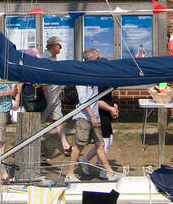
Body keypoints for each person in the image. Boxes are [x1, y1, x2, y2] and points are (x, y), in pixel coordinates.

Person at [62, 49, 118, 182]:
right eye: (97, 59)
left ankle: (109, 172)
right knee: (80, 145)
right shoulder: (82, 77)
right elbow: (84, 100)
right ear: (90, 60)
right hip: (84, 117)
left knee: (100, 144)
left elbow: (95, 98)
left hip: (94, 116)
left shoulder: (93, 75)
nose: (99, 62)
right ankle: (69, 174)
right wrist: (92, 117)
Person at [41, 36, 72, 160]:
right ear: (54, 46)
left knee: (59, 120)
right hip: (48, 96)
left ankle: (65, 145)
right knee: (40, 124)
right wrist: (46, 95)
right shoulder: (45, 58)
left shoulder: (54, 58)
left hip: (56, 95)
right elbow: (42, 77)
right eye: (59, 45)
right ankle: (38, 150)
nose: (61, 48)